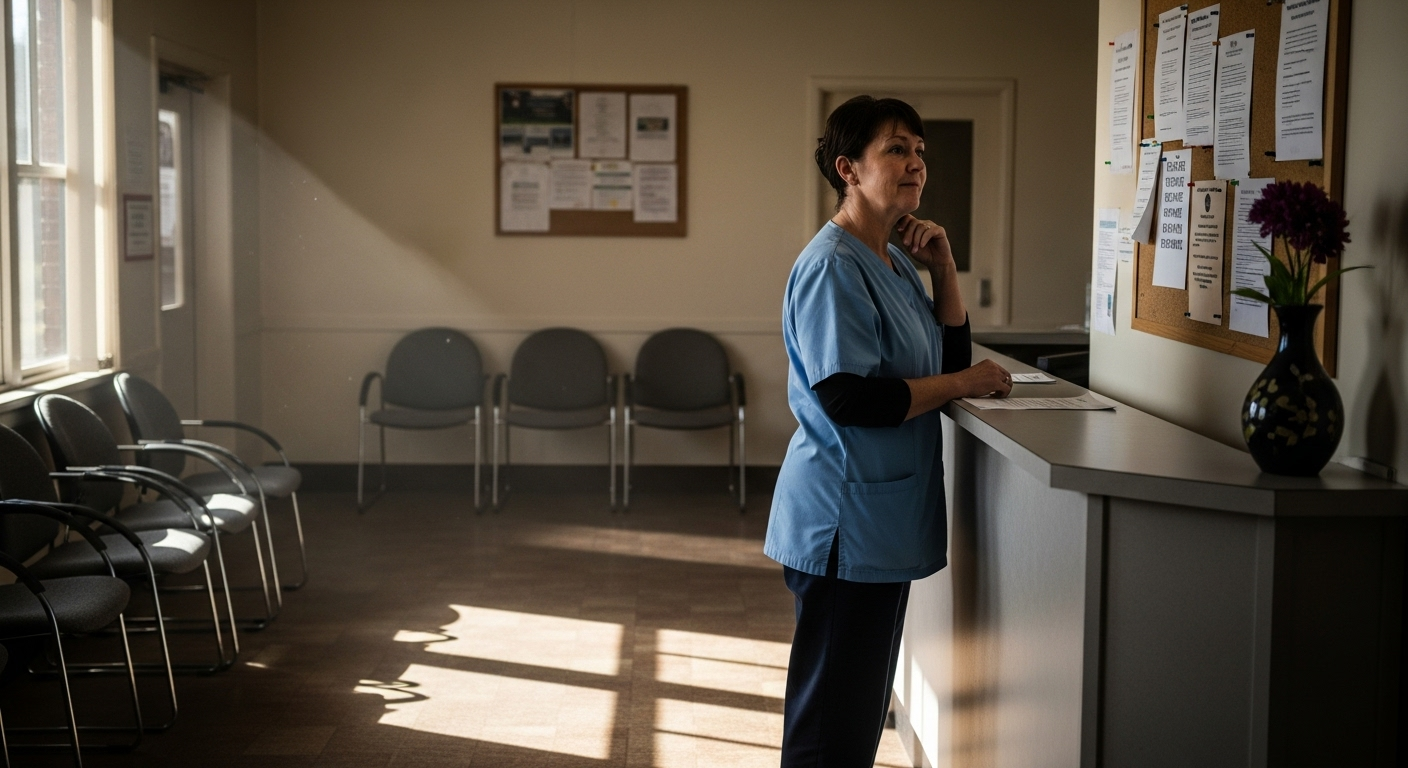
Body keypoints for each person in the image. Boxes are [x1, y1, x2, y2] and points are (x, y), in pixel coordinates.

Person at [764, 95, 1013, 766]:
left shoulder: (897, 257)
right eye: (896, 149)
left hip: (879, 517)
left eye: (920, 151)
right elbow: (849, 397)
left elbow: (948, 360)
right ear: (848, 168)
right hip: (843, 519)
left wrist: (944, 269)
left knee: (855, 713)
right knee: (830, 725)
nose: (915, 164)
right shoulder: (831, 266)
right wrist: (963, 385)